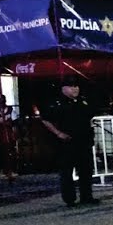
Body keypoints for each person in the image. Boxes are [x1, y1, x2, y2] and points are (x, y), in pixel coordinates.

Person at [39, 79, 100, 208]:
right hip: (66, 143)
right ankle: (69, 199)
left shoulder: (83, 101)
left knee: (86, 171)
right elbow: (45, 119)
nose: (75, 89)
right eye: (72, 87)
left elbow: (90, 116)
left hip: (84, 141)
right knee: (67, 172)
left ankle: (86, 196)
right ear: (63, 89)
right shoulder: (56, 103)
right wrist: (58, 133)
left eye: (76, 86)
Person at [0, 94, 20, 180]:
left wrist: (6, 122)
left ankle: (10, 170)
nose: (1, 103)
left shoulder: (10, 109)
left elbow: (15, 121)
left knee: (10, 152)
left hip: (9, 135)